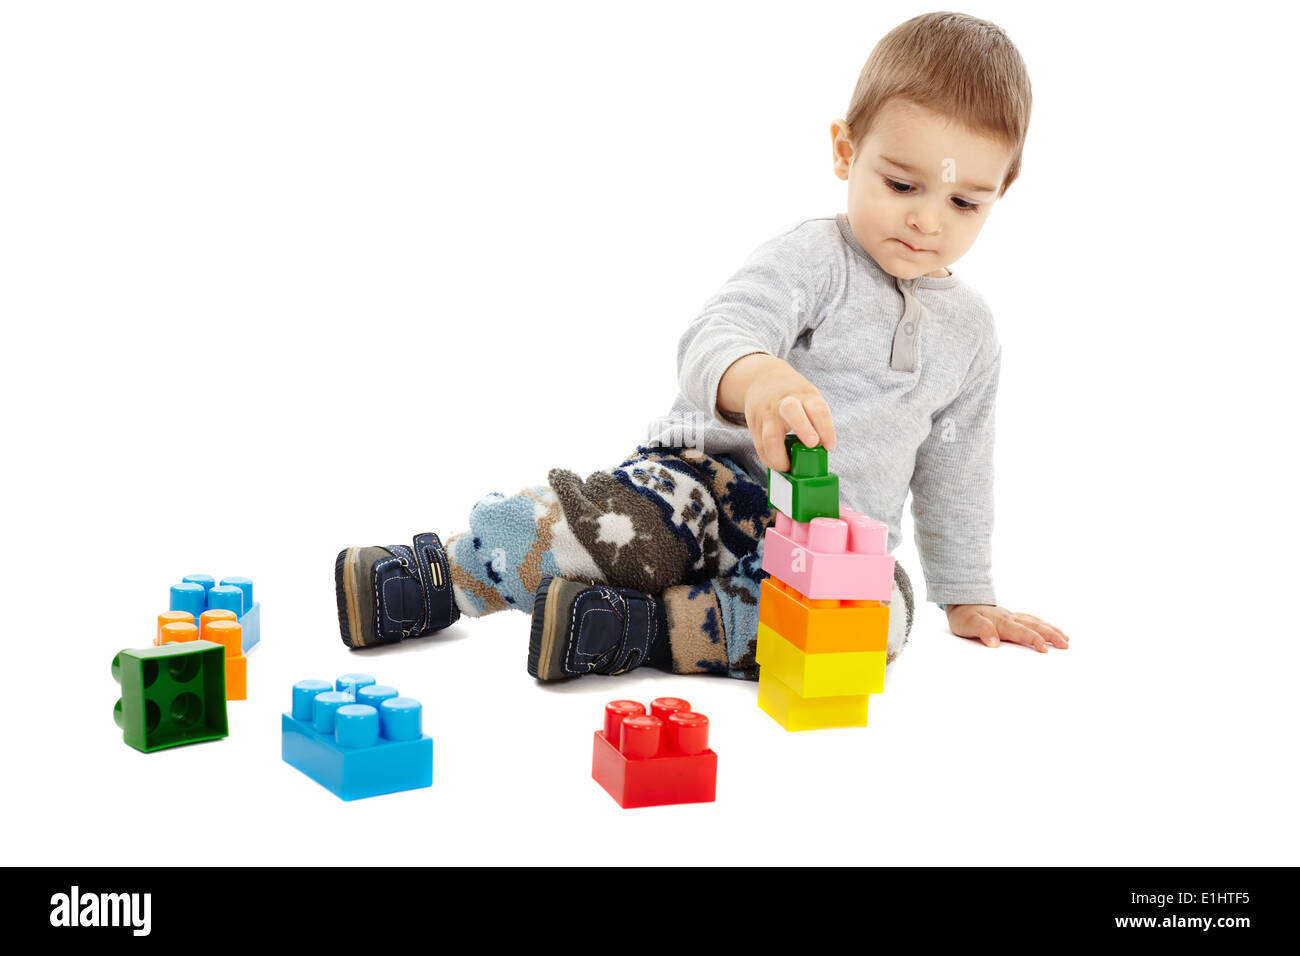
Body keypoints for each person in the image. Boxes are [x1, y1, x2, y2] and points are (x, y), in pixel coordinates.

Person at [333, 11, 1070, 682]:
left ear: (1003, 190)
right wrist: (762, 386)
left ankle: (632, 631)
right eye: (902, 183)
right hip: (707, 480)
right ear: (846, 151)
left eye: (964, 202)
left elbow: (957, 468)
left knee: (881, 620)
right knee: (617, 527)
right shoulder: (815, 259)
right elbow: (717, 335)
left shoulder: (972, 334)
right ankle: (436, 577)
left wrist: (969, 595)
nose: (927, 221)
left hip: (829, 546)